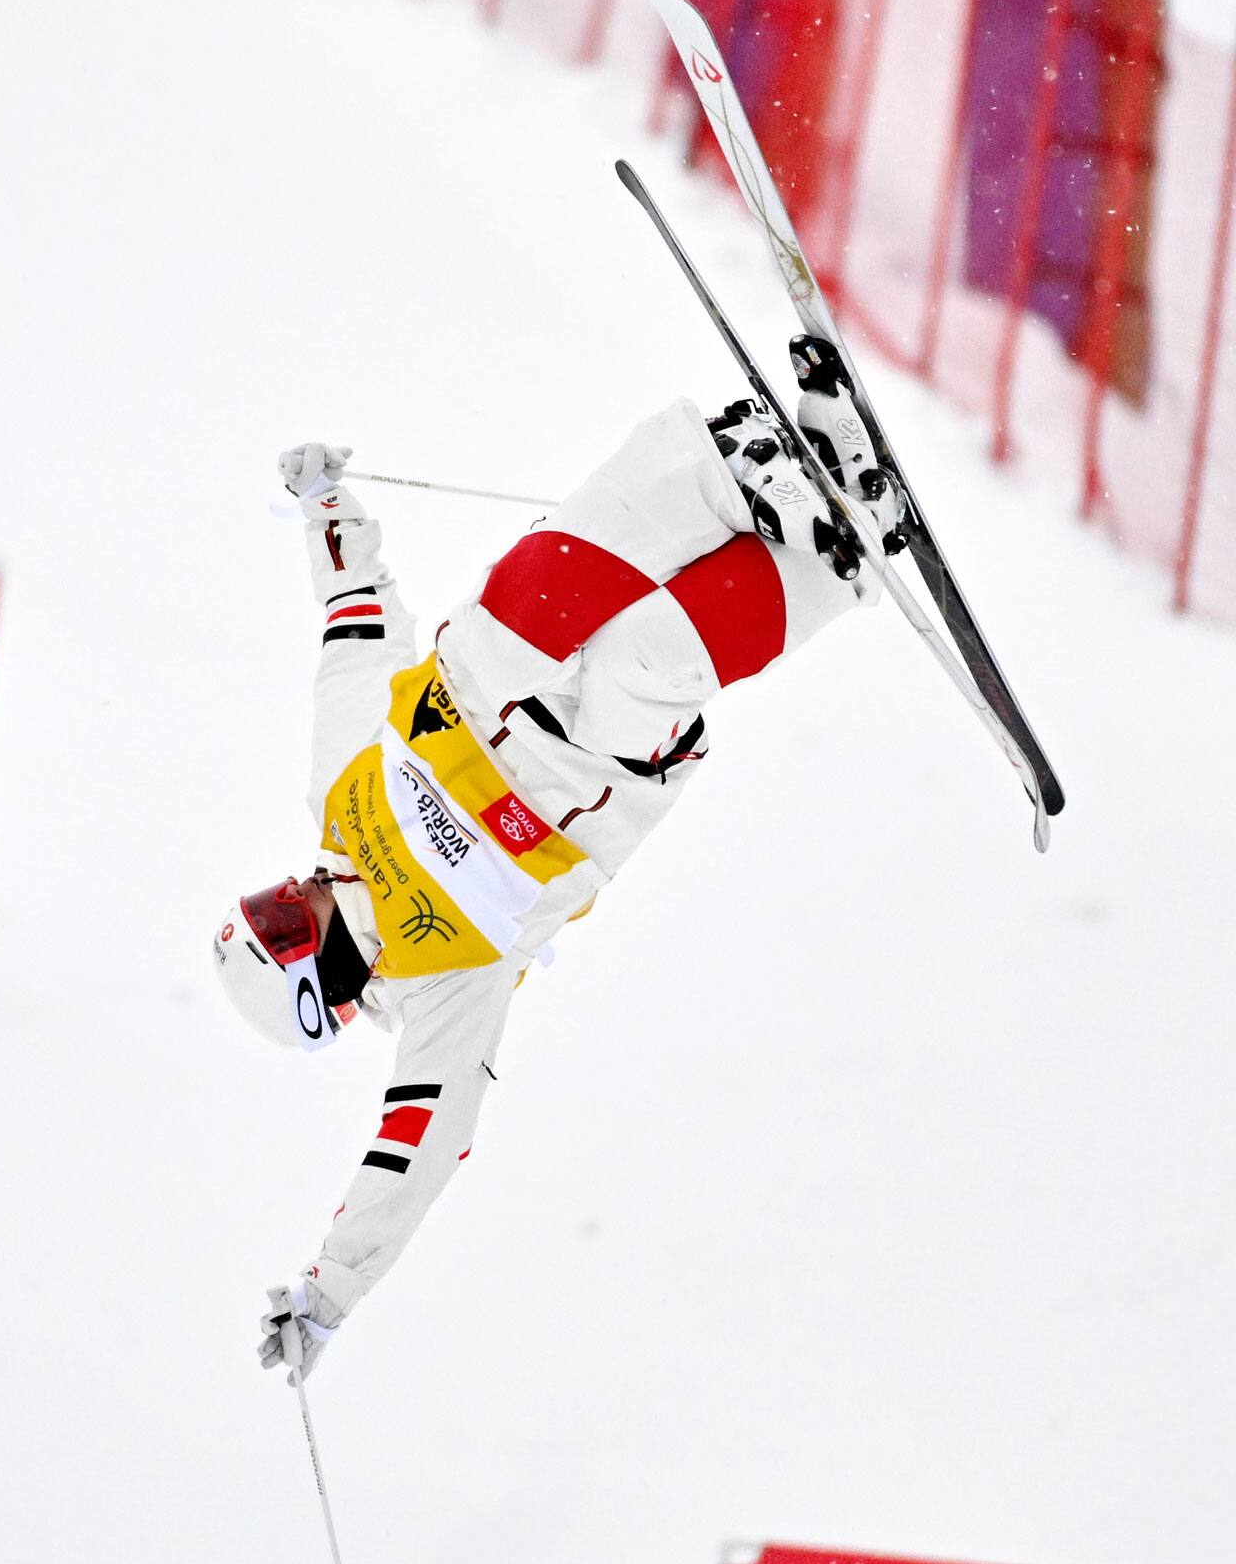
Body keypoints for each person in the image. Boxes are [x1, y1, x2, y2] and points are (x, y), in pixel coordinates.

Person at [216, 340, 905, 1383]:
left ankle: (745, 462)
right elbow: (413, 1150)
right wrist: (328, 1292)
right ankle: (828, 553)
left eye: (264, 901)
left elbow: (353, 636)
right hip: (588, 757)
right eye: (279, 927)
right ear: (321, 989)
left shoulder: (336, 800)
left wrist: (325, 511)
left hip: (491, 658)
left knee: (544, 576)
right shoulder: (441, 981)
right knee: (643, 661)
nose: (291, 892)